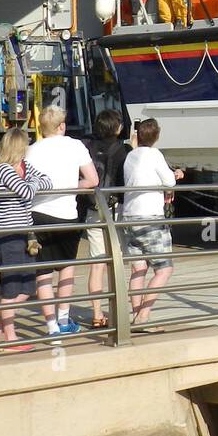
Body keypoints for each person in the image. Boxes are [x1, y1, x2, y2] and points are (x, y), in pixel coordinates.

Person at [24, 105, 99, 341]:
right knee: (67, 266)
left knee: (43, 271)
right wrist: (70, 188)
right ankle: (64, 319)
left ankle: (51, 326)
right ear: (62, 126)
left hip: (37, 213)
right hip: (66, 213)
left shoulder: (31, 150)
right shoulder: (75, 145)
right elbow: (92, 179)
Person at [0, 127, 51, 352]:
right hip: (8, 235)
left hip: (26, 235)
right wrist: (32, 184)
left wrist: (32, 183)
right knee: (11, 288)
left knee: (27, 287)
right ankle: (9, 338)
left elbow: (47, 181)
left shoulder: (25, 166)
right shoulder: (3, 169)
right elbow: (27, 192)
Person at [121, 119, 181, 328]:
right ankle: (144, 316)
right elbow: (169, 182)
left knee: (138, 268)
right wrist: (176, 174)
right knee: (164, 269)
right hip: (149, 216)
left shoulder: (130, 155)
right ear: (157, 136)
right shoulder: (155, 154)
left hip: (128, 216)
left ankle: (136, 316)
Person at [81, 109, 132, 331]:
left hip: (94, 209)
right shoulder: (125, 150)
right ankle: (118, 311)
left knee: (97, 264)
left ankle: (96, 314)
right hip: (116, 209)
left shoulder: (87, 147)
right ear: (118, 127)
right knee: (116, 263)